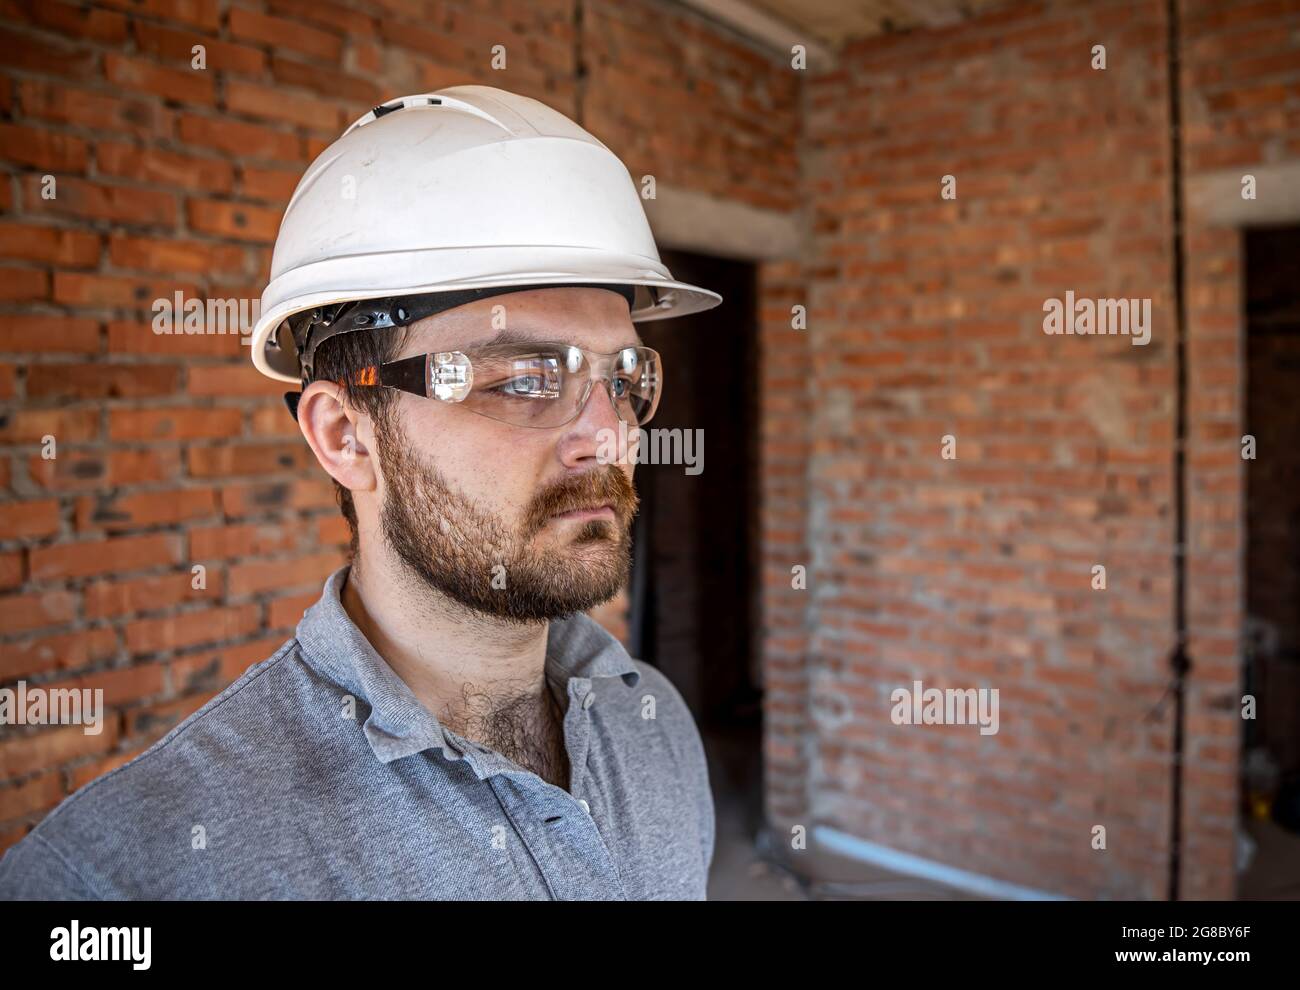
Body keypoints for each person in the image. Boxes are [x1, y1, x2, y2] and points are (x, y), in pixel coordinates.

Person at [0, 86, 722, 899]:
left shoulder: (652, 725)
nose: (611, 435)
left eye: (623, 378)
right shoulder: (128, 873)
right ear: (346, 436)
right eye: (524, 378)